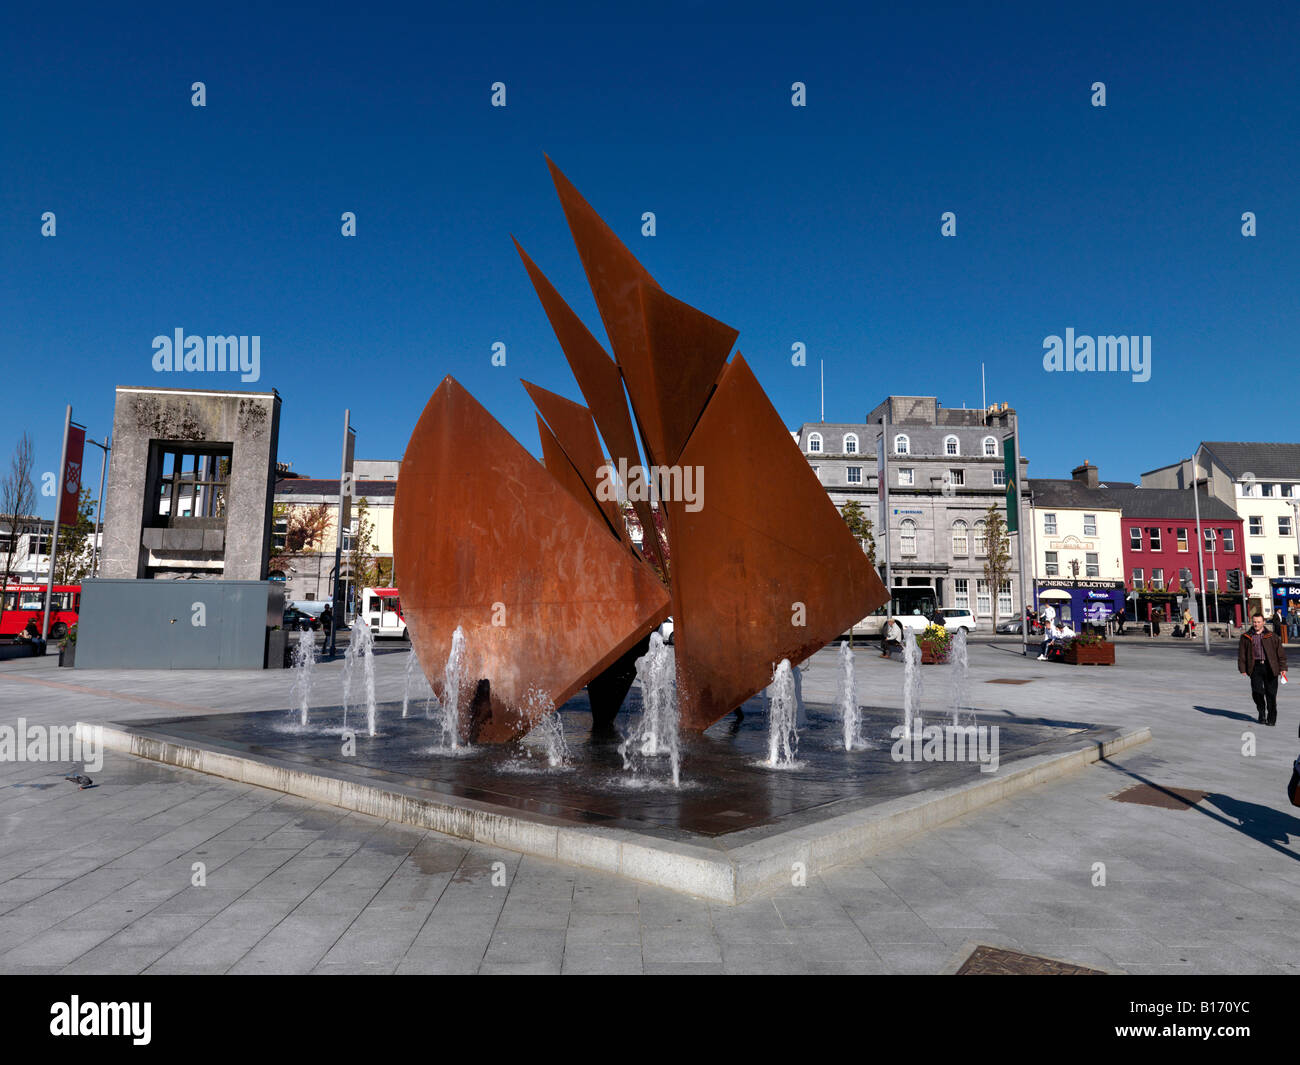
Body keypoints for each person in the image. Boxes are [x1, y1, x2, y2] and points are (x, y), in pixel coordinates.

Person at [1238, 611, 1288, 726]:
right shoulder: (1246, 636)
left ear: (1263, 622)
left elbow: (1280, 653)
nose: (1256, 624)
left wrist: (1283, 667)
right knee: (1257, 692)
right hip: (1255, 667)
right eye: (1254, 622)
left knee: (1271, 694)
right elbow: (1242, 654)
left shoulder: (1272, 636)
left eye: (1258, 622)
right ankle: (1261, 712)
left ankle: (1271, 717)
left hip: (1270, 667)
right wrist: (1242, 668)